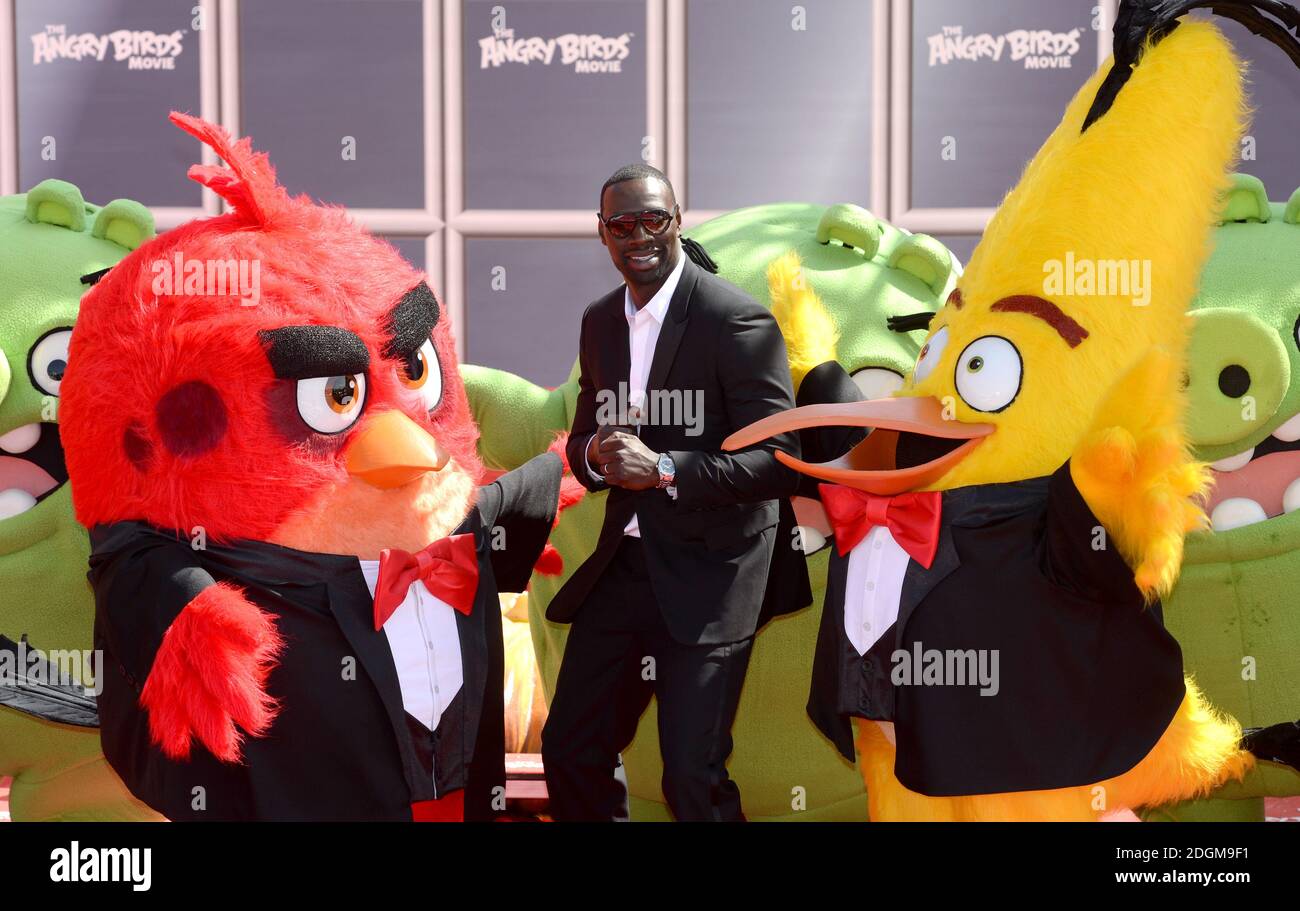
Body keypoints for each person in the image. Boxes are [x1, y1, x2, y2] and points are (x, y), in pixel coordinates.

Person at [541, 163, 808, 821]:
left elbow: (779, 462)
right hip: (627, 567)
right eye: (622, 224)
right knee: (571, 747)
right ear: (602, 234)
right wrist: (597, 458)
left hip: (714, 572)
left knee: (693, 773)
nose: (640, 235)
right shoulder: (601, 321)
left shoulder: (735, 319)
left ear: (678, 219)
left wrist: (663, 467)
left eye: (653, 219)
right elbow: (582, 440)